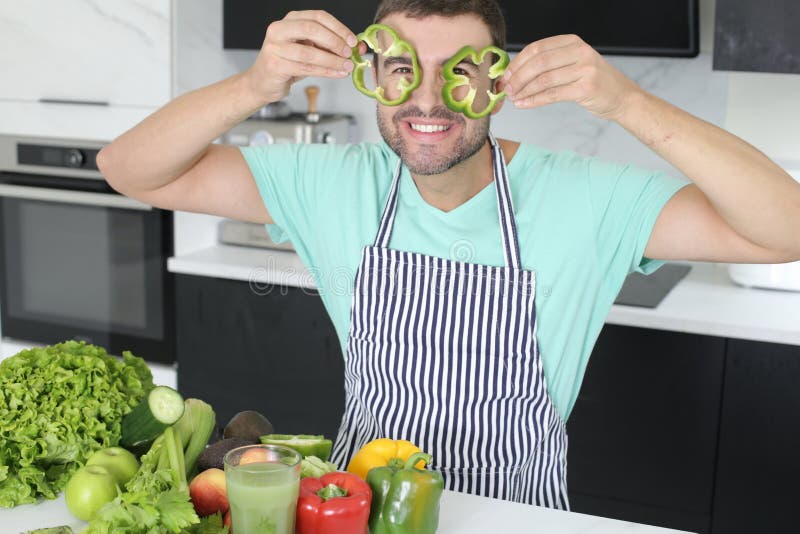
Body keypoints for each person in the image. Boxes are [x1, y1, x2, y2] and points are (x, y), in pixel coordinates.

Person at [97, 0, 800, 509]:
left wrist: (626, 102)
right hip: (355, 513)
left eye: (458, 72)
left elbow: (785, 228)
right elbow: (129, 168)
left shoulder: (588, 198)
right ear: (373, 72)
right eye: (404, 67)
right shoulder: (332, 182)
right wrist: (254, 85)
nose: (429, 99)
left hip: (516, 520)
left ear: (498, 79)